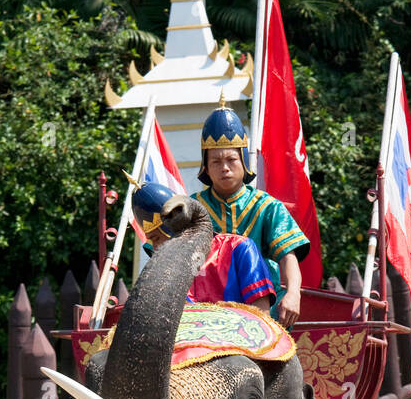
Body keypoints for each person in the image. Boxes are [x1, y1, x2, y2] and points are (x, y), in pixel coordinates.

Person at [192, 97, 310, 328]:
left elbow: (288, 255)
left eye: (231, 159)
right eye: (216, 161)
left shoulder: (267, 207)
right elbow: (166, 253)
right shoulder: (192, 209)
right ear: (205, 166)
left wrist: (294, 293)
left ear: (243, 161)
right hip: (205, 314)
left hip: (263, 312)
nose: (224, 167)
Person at [132, 181, 277, 313]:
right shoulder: (163, 269)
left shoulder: (239, 248)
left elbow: (261, 316)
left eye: (156, 238)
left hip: (239, 339)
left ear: (173, 228)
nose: (156, 247)